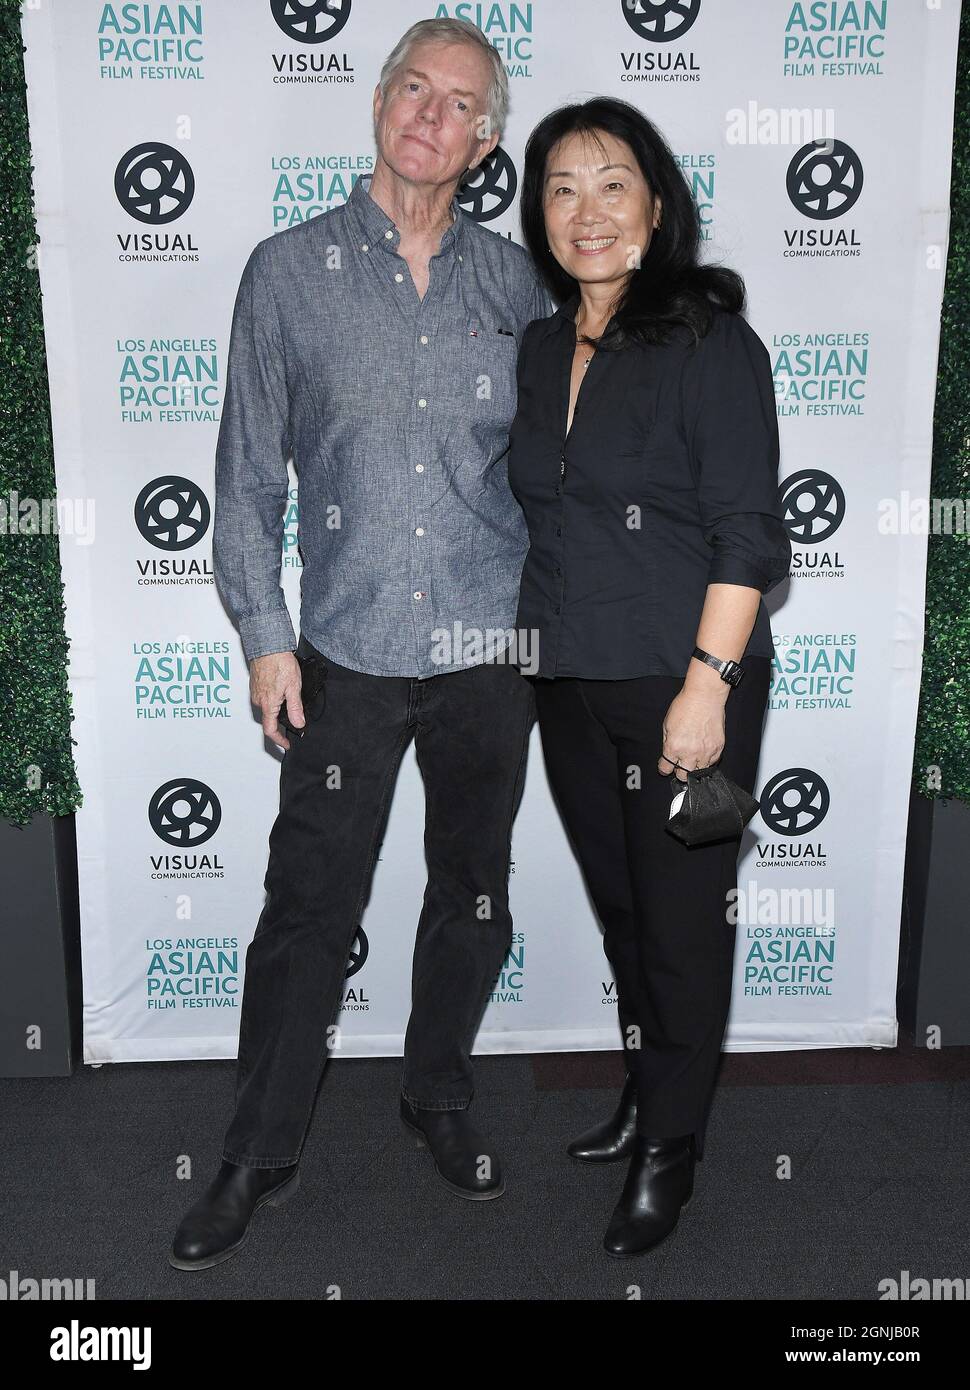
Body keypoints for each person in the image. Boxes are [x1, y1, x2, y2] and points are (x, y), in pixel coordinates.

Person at [169, 17, 551, 1271]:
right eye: (410, 88)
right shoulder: (286, 272)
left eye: (457, 104)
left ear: (485, 141)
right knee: (307, 909)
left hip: (490, 650)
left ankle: (436, 1091)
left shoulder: (517, 285)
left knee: (474, 892)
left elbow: (562, 468)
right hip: (341, 652)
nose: (426, 115)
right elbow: (244, 476)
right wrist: (264, 635)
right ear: (378, 101)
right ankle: (257, 1147)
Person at [507, 97, 791, 1257]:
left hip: (685, 681)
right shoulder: (535, 345)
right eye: (562, 186)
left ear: (657, 205)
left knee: (680, 925)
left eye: (611, 182)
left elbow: (747, 534)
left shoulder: (709, 342)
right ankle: (643, 1092)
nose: (586, 209)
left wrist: (706, 685)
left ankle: (674, 1144)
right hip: (567, 679)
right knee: (624, 910)